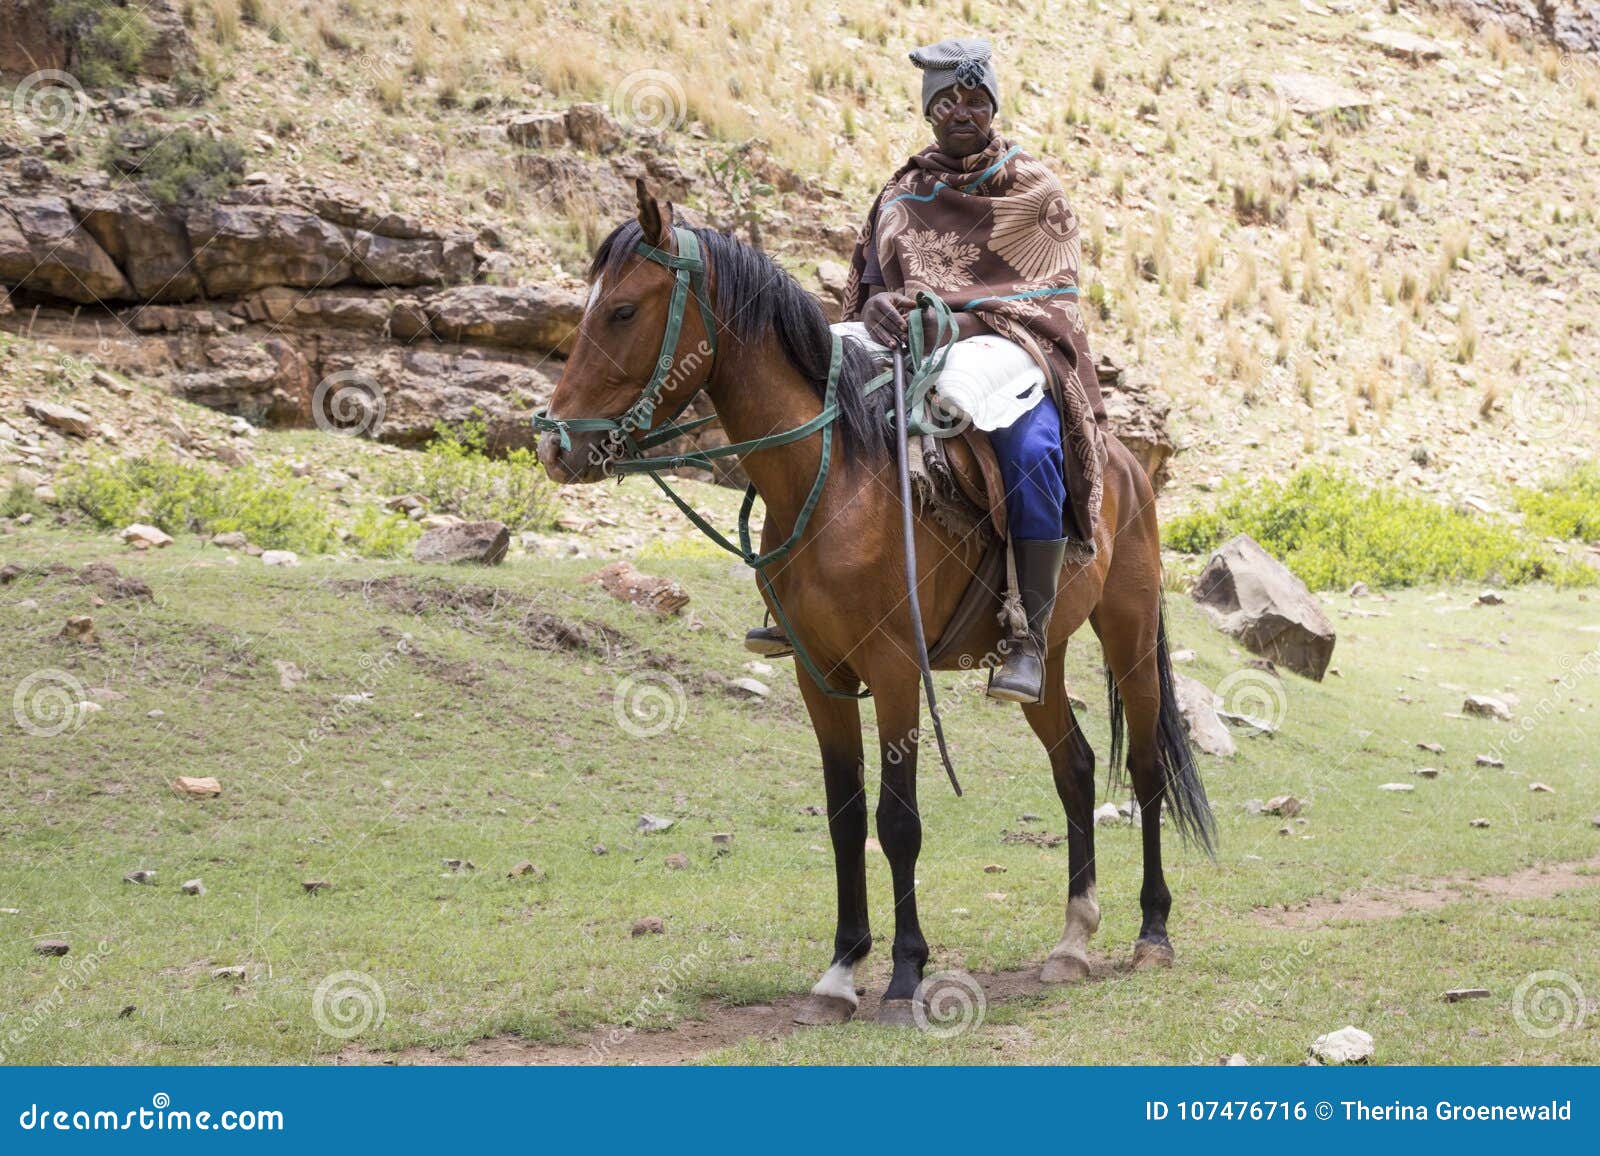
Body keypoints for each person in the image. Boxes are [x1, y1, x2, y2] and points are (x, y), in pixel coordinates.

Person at [747, 37, 1106, 705]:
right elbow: (873, 282)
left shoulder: (1037, 190)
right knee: (809, 409)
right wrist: (881, 306)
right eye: (948, 99)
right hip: (908, 346)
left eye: (975, 98)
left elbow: (1051, 299)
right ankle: (789, 592)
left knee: (1033, 451)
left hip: (1007, 350)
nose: (962, 110)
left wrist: (963, 323)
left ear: (993, 105)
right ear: (929, 109)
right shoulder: (903, 189)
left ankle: (1026, 635)